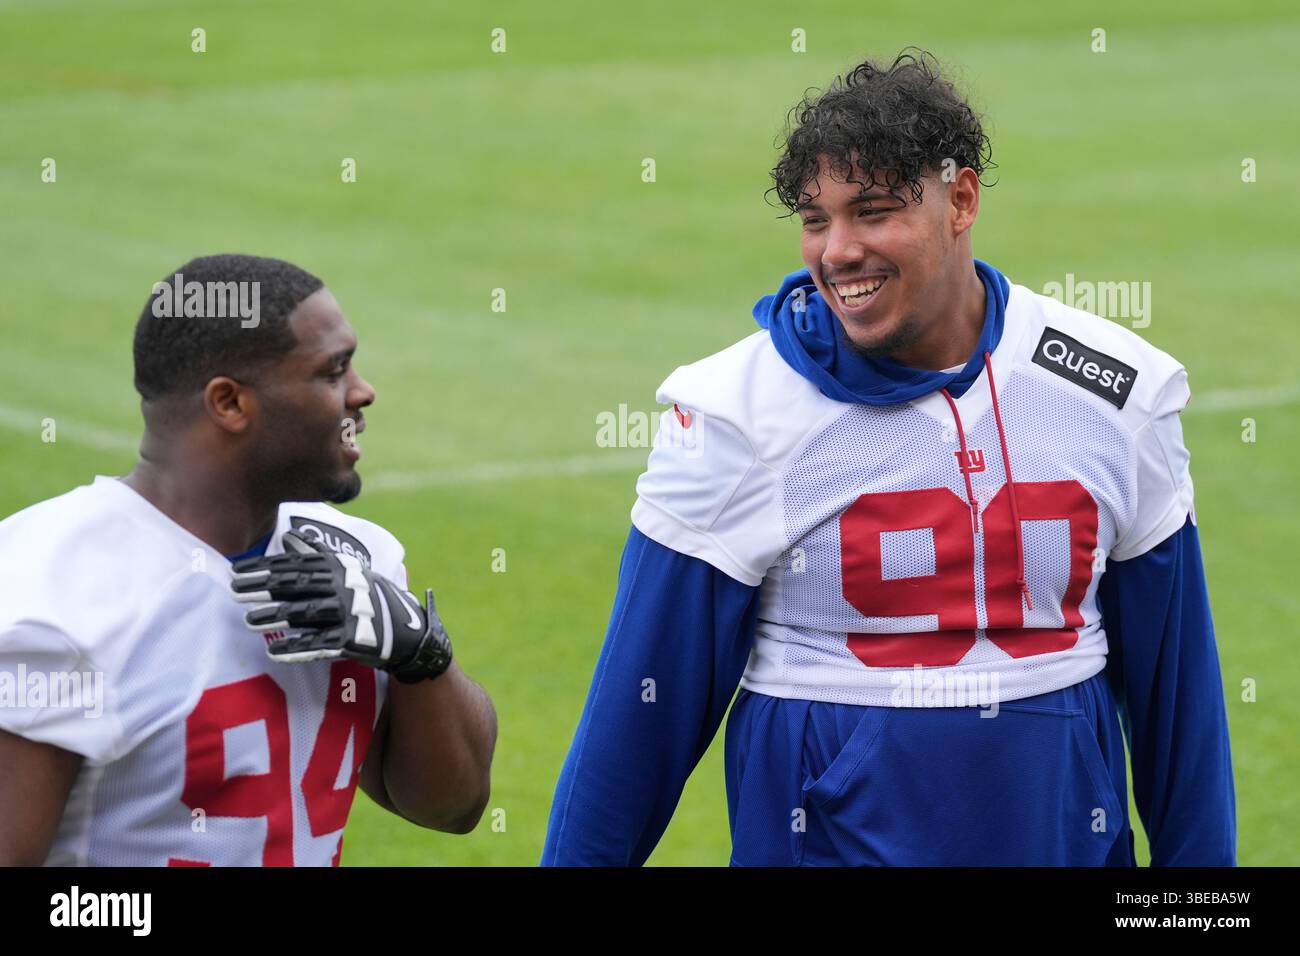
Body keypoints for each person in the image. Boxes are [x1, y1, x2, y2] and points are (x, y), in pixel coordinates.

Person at [542, 51, 1235, 866]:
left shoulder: (1114, 389)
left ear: (961, 200)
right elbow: (637, 716)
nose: (837, 251)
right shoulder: (735, 412)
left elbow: (1177, 701)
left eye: (872, 212)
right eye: (814, 218)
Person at [0, 253, 497, 866]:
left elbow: (451, 808)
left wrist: (422, 655)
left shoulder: (353, 558)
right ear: (230, 404)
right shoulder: (47, 593)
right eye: (333, 371)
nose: (363, 392)